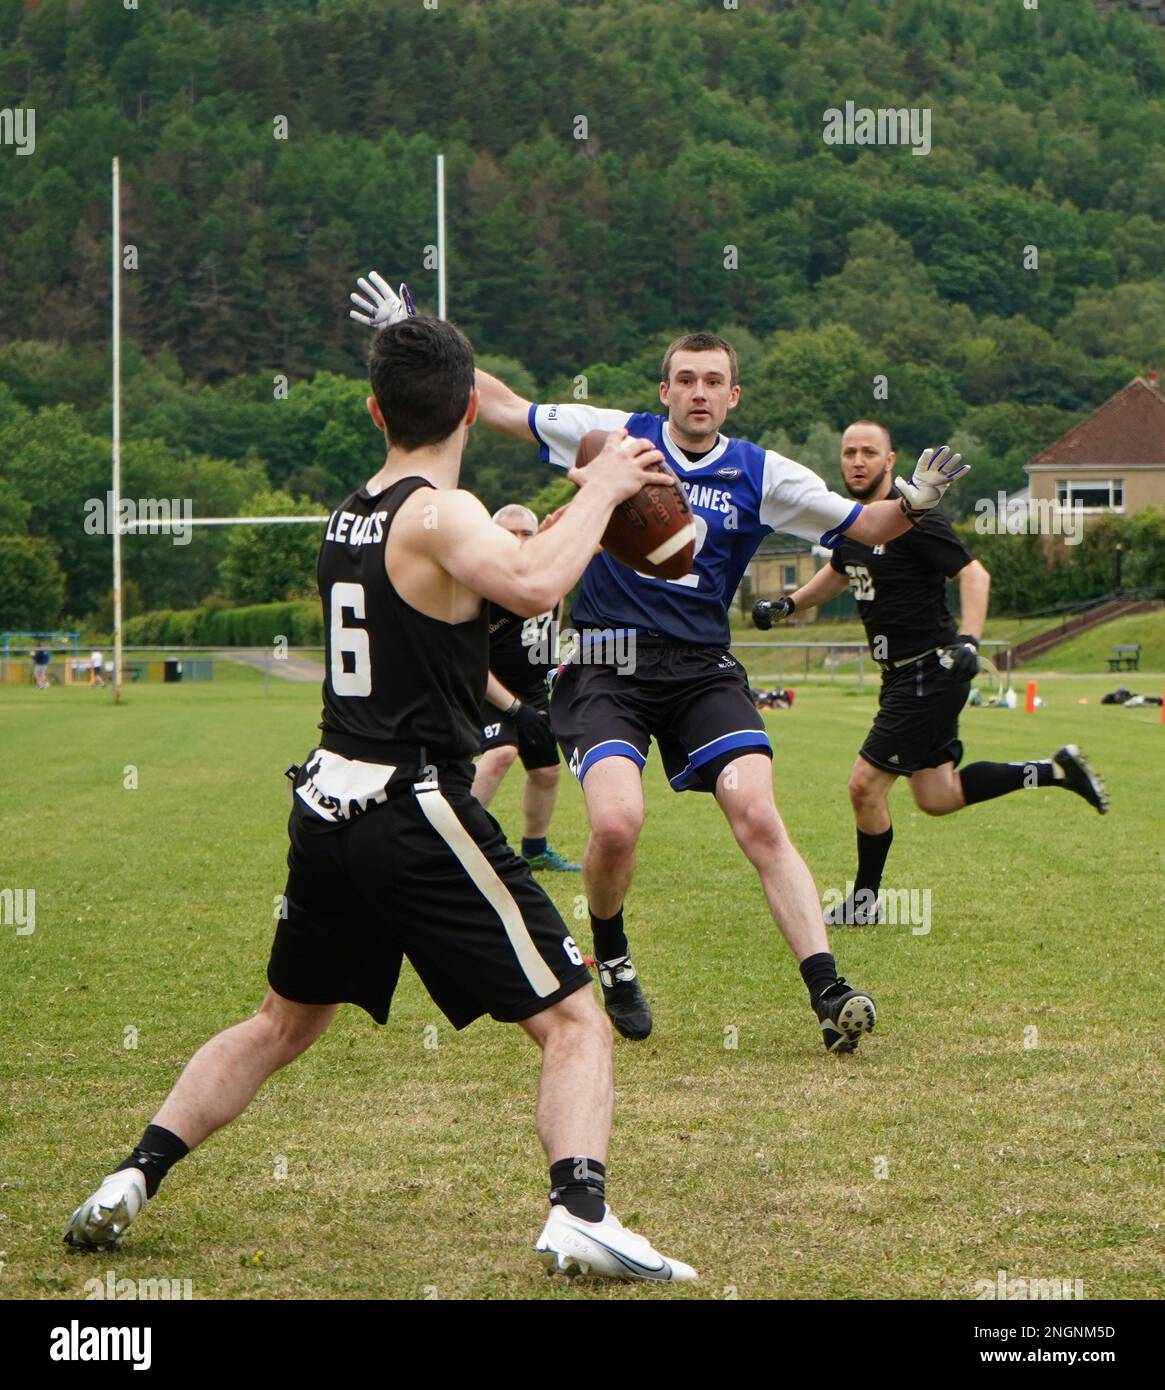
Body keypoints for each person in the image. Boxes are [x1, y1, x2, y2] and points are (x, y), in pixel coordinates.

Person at [64, 315, 695, 1284]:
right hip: (413, 807)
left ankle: (132, 1174)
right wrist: (607, 487)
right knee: (573, 1018)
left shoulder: (352, 509)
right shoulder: (439, 513)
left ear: (373, 410)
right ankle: (580, 1208)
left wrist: (569, 513)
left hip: (326, 806)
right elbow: (527, 587)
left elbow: (480, 596)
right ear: (471, 411)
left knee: (280, 1022)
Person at [349, 275, 970, 1053]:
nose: (698, 393)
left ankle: (826, 987)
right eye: (685, 380)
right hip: (605, 666)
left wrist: (913, 502)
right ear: (664, 390)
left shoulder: (760, 472)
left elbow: (867, 525)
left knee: (759, 817)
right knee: (615, 822)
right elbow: (500, 406)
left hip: (702, 668)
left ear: (733, 395)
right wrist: (413, 332)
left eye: (713, 382)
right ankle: (611, 953)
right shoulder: (613, 438)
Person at [754, 420, 1108, 927]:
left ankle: (864, 903)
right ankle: (1054, 770)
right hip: (899, 676)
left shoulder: (916, 521)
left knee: (864, 787)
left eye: (868, 452)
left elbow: (974, 573)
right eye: (849, 452)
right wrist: (788, 604)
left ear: (890, 461)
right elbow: (839, 571)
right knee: (937, 796)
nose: (857, 461)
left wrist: (970, 640)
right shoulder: (853, 524)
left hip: (932, 668)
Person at [472, 504, 580, 872]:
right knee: (500, 753)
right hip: (486, 688)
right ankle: (454, 843)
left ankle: (535, 850)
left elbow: (551, 620)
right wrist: (516, 710)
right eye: (510, 533)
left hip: (531, 691)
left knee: (546, 771)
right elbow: (472, 662)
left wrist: (551, 674)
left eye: (527, 534)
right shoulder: (481, 585)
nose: (518, 540)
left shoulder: (547, 578)